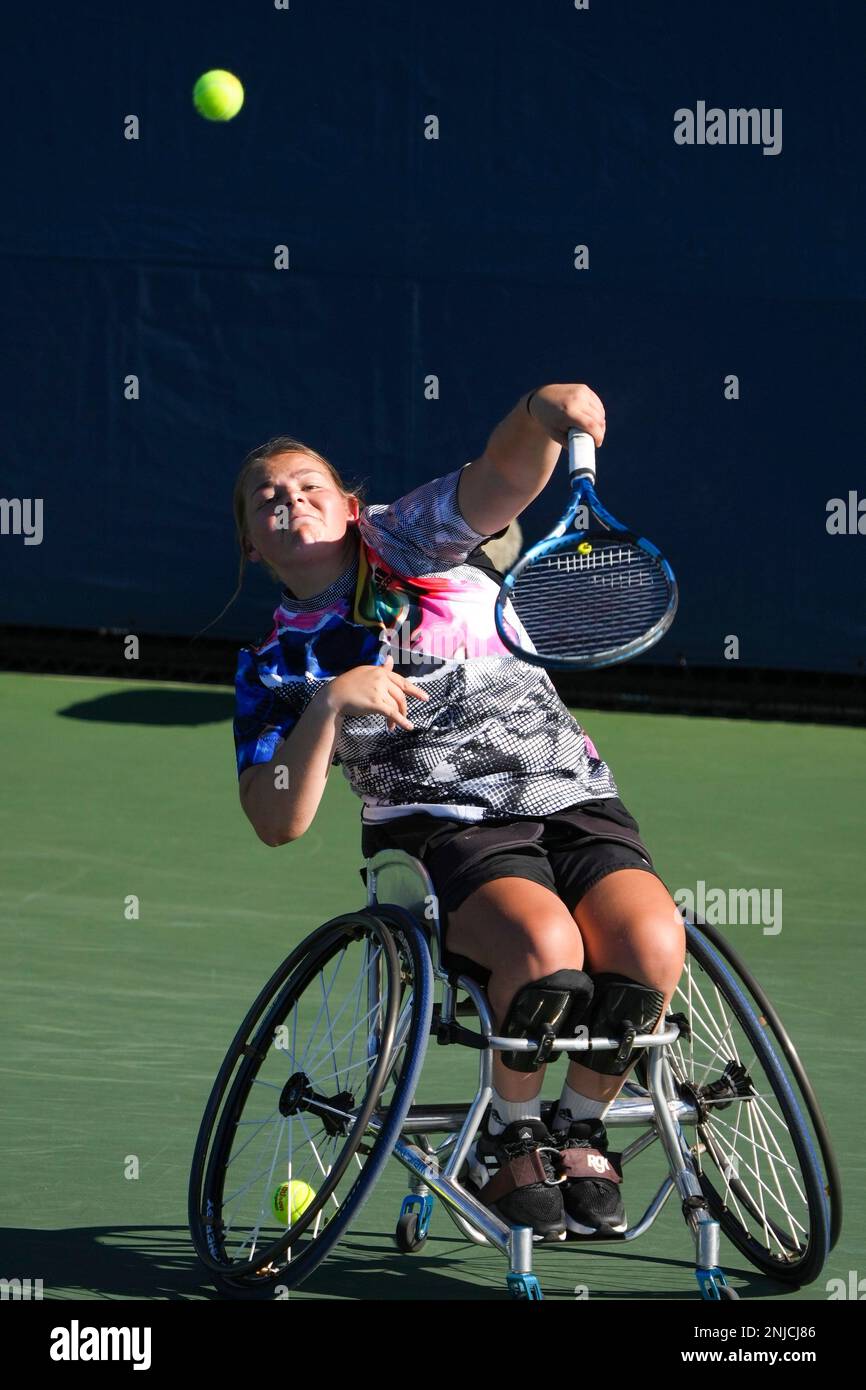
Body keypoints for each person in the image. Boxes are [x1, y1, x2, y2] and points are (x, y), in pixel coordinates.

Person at [229, 383, 685, 1242]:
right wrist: (328, 706)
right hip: (443, 826)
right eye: (267, 500)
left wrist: (545, 410)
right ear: (251, 544)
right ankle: (510, 1137)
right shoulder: (273, 666)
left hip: (570, 793)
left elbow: (502, 476)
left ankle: (580, 1127)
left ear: (350, 505)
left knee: (654, 945)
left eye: (309, 487)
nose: (290, 502)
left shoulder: (406, 536)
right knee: (545, 950)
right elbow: (275, 818)